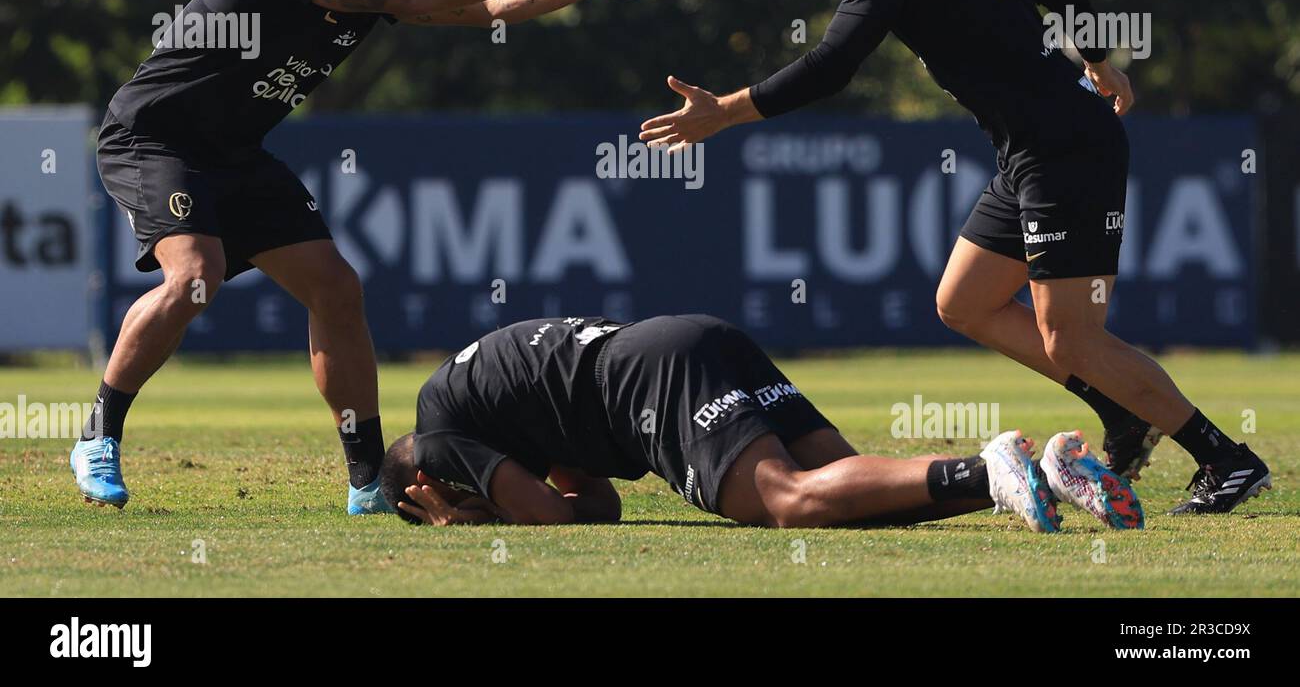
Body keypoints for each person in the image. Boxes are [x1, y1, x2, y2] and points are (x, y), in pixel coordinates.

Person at [637, 0, 1269, 514]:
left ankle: (1226, 457)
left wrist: (725, 111)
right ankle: (1125, 415)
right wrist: (1099, 60)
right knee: (962, 301)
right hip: (1036, 148)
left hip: (1062, 149)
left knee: (1070, 338)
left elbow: (833, 64)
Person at [75, 0, 678, 514]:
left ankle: (366, 480)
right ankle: (99, 434)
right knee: (195, 274)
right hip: (153, 137)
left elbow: (488, 9)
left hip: (233, 151)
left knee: (335, 288)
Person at [380, 313, 1143, 531]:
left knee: (786, 501)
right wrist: (521, 498)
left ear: (422, 483)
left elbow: (552, 513)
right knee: (852, 503)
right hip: (689, 338)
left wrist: (475, 520)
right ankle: (1029, 475)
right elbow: (597, 503)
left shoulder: (440, 432)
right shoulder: (480, 398)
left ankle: (990, 467)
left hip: (650, 379)